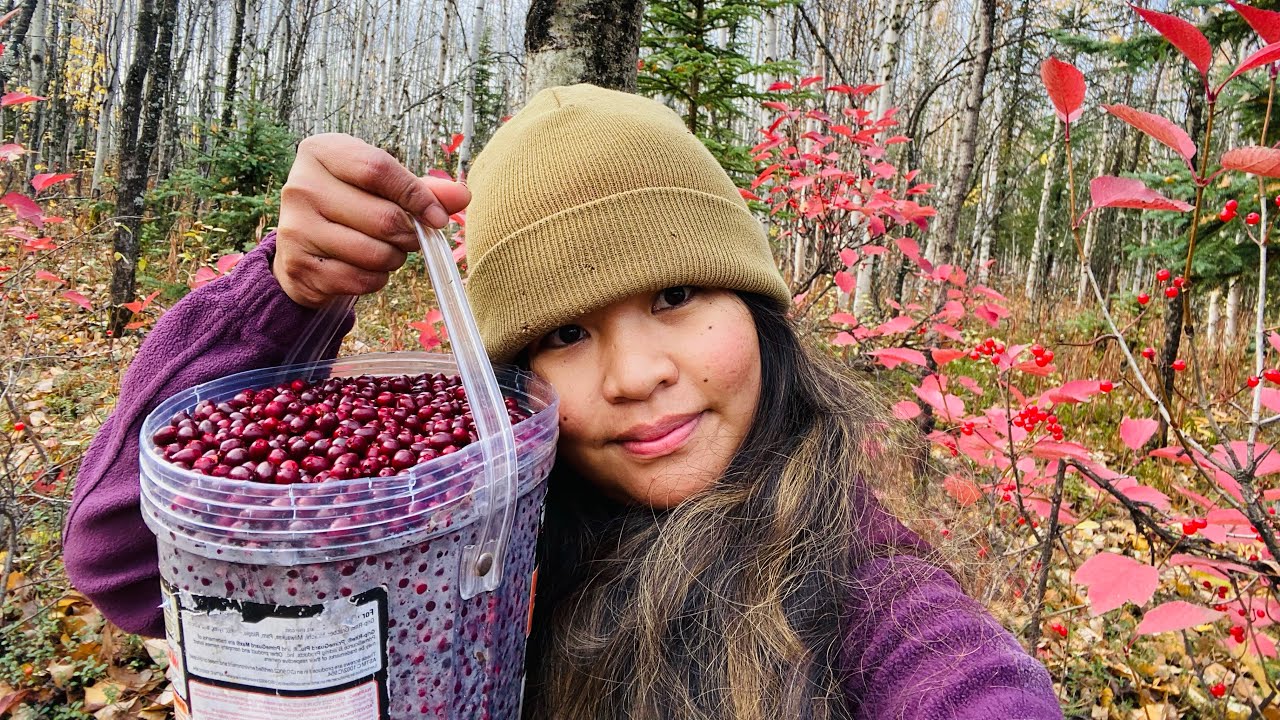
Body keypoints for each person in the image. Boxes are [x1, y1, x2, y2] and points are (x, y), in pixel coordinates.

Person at [64, 84, 1063, 718]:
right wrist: (287, 298)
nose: (632, 375)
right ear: (509, 386)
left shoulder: (866, 587)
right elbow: (128, 561)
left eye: (675, 295)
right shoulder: (464, 546)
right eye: (563, 335)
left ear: (755, 310)